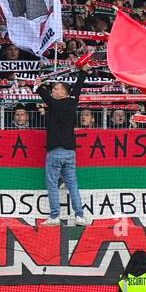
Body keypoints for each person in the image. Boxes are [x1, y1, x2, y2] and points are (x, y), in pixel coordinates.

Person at [34, 64, 88, 226]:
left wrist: (38, 85)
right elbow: (78, 87)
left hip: (56, 152)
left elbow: (45, 96)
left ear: (64, 91)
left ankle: (55, 216)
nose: (53, 91)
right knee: (73, 185)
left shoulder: (56, 104)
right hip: (70, 152)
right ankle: (80, 216)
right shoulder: (72, 103)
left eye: (56, 88)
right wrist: (83, 72)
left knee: (52, 185)